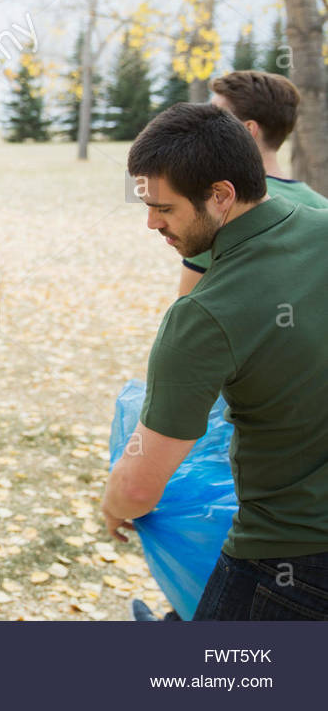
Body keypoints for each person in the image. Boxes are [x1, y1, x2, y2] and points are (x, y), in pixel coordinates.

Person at [103, 103, 328, 620]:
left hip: (290, 563)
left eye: (164, 208)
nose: (151, 222)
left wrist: (114, 506)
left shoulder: (203, 316)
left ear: (221, 196)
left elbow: (139, 485)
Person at [176, 69, 327, 297]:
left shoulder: (221, 206)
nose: (204, 131)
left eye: (216, 120)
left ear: (247, 131)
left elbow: (188, 309)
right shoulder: (322, 207)